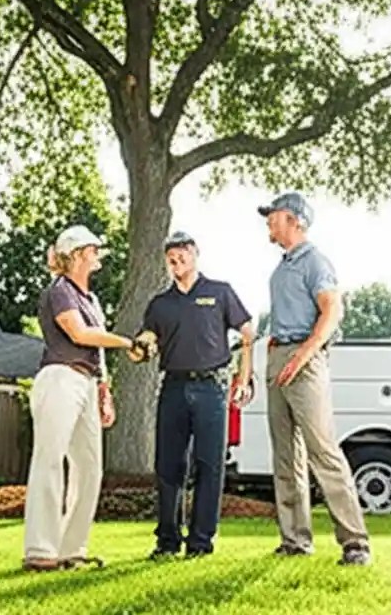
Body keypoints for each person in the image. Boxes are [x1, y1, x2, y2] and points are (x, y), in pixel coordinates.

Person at [258, 192, 371, 566]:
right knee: (285, 456)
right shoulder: (280, 267)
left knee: (323, 451)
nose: (268, 222)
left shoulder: (314, 262)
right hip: (278, 356)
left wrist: (303, 355)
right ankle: (295, 540)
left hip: (304, 361)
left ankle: (355, 542)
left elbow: (332, 310)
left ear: (294, 220)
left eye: (273, 216)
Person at [22, 224, 143, 572]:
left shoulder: (92, 299)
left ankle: (71, 548)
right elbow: (79, 333)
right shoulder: (60, 291)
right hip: (59, 378)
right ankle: (40, 550)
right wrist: (127, 342)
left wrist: (105, 391)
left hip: (87, 385)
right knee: (50, 460)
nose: (97, 254)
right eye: (93, 248)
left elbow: (97, 353)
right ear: (76, 254)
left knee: (90, 468)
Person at [130, 230, 255, 559]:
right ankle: (167, 541)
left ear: (195, 254)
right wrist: (142, 345)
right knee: (168, 465)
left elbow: (248, 334)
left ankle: (201, 543)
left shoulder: (219, 293)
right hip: (173, 387)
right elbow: (148, 337)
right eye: (171, 256)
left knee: (209, 465)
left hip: (212, 388)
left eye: (183, 253)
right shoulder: (160, 304)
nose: (176, 259)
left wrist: (243, 379)